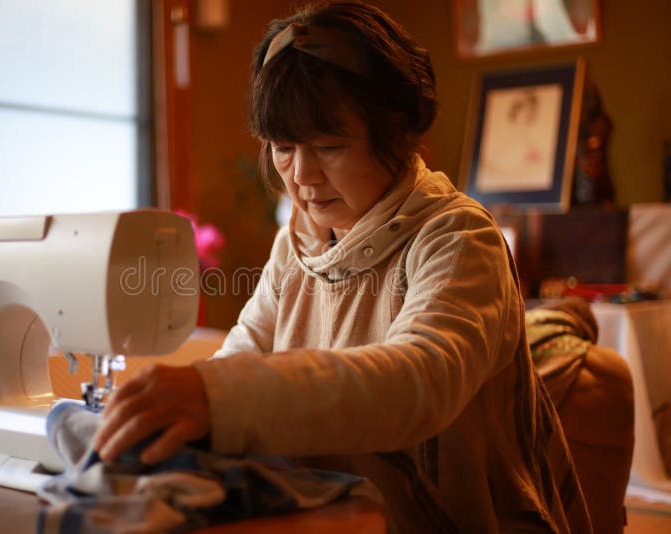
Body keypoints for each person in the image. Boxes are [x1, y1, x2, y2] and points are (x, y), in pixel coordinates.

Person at [94, 1, 592, 531]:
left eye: (329, 146)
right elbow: (245, 352)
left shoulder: (458, 238)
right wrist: (183, 404)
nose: (302, 175)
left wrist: (219, 399)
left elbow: (418, 380)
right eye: (283, 148)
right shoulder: (298, 246)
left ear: (398, 133)